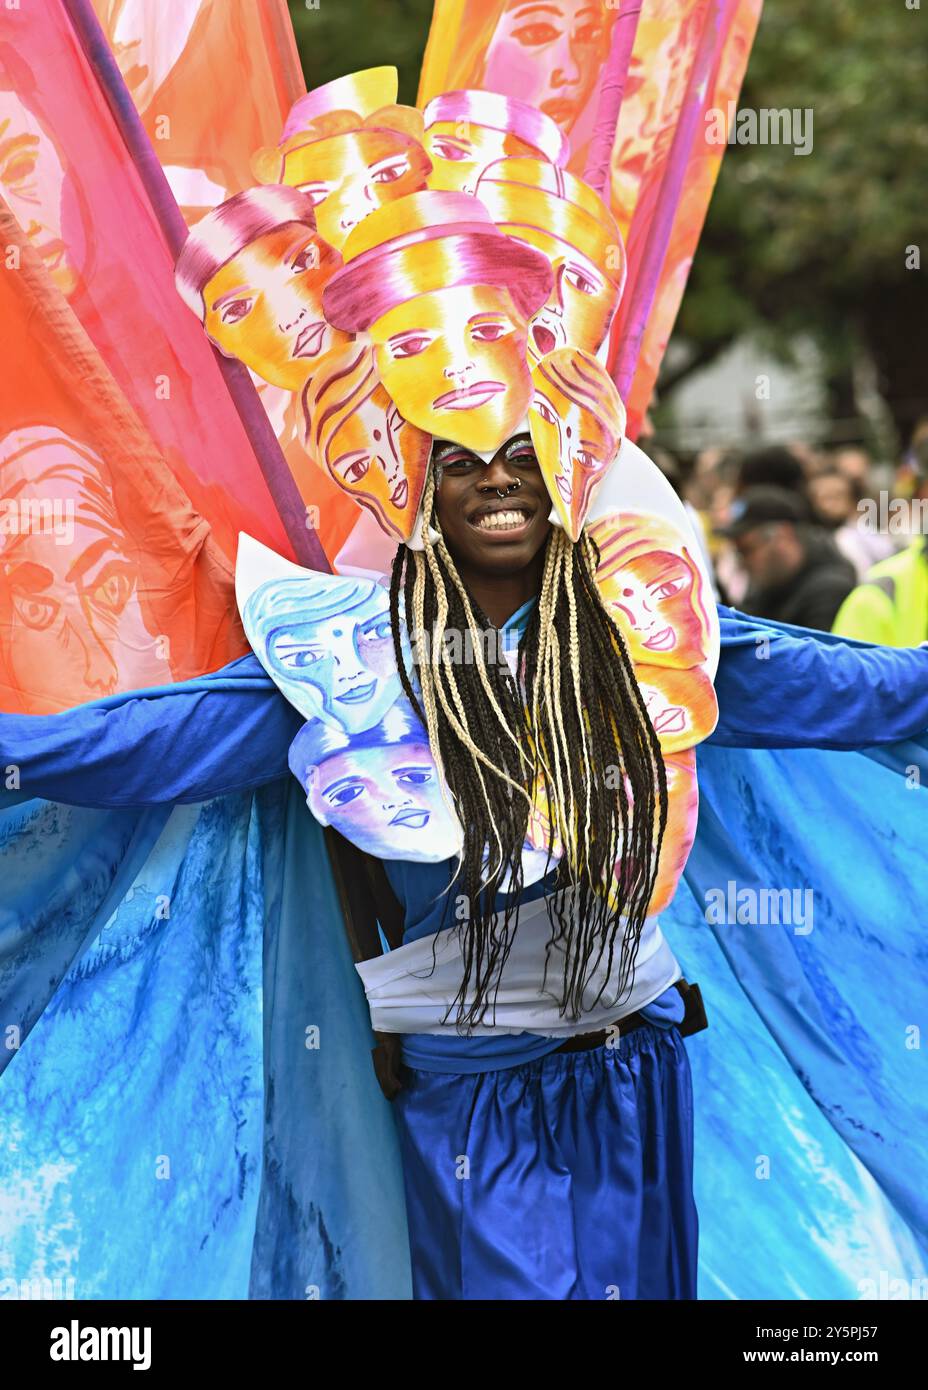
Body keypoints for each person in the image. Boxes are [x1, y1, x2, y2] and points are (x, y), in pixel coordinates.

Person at [718, 485, 856, 632]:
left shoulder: (830, 590)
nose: (742, 562)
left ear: (784, 534)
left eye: (747, 549)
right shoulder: (773, 581)